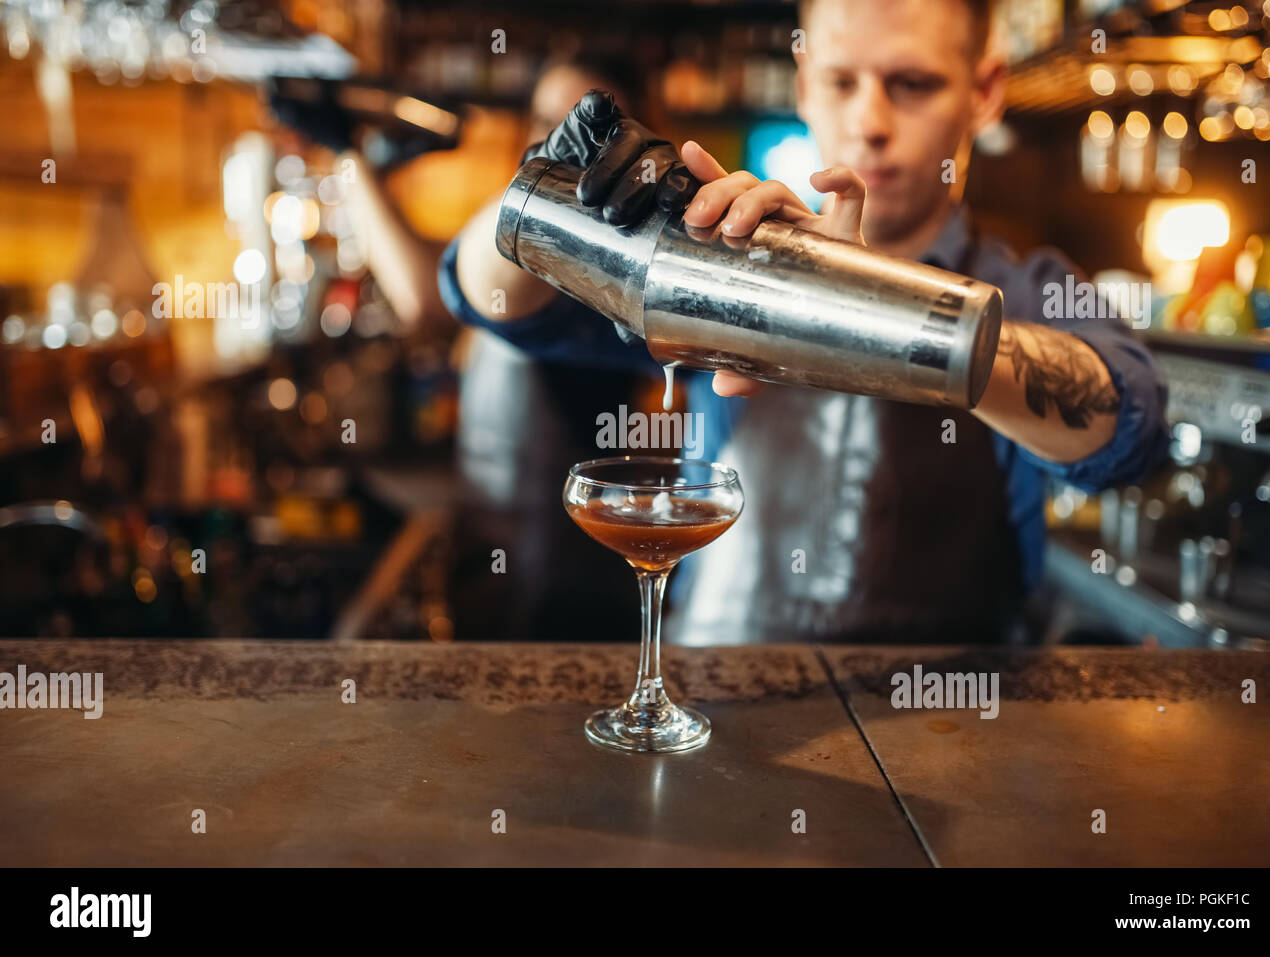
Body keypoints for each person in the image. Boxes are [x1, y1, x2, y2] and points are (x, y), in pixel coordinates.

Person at [438, 0, 1170, 645]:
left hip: (940, 748)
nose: (869, 123)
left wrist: (860, 301)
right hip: (715, 718)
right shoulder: (724, 259)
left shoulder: (1024, 287)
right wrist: (542, 191)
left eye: (912, 84)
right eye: (841, 82)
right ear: (801, 83)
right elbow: (486, 298)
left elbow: (1126, 429)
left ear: (983, 92)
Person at [273, 55, 655, 640]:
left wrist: (352, 159)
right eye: (548, 119)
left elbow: (425, 296)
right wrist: (368, 165)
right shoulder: (520, 252)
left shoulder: (607, 270)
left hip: (564, 583)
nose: (560, 141)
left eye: (593, 127)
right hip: (495, 562)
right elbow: (443, 272)